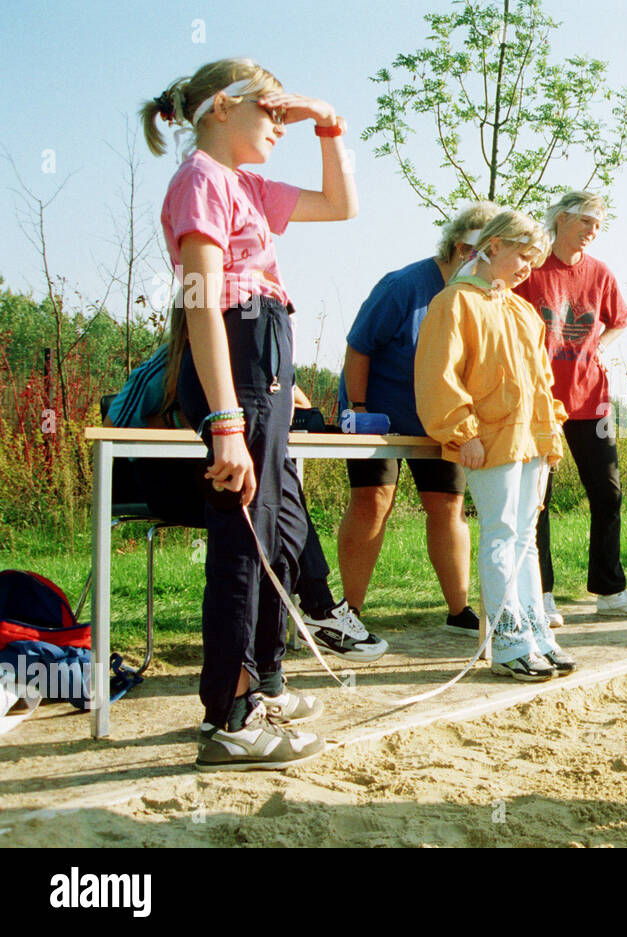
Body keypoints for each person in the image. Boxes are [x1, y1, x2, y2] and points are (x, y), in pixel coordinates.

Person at [141, 57, 357, 769]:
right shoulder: (201, 179)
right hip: (234, 352)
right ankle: (227, 715)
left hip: (265, 356)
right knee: (241, 538)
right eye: (268, 111)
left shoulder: (246, 186)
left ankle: (262, 679)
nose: (278, 124)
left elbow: (339, 204)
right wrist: (226, 423)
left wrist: (324, 123)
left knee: (278, 529)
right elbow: (202, 303)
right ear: (218, 110)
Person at [106, 347, 384, 661]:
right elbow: (111, 427)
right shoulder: (165, 364)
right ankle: (316, 609)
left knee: (272, 483)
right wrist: (180, 418)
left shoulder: (257, 356)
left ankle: (276, 636)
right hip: (167, 484)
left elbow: (303, 407)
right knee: (271, 489)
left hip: (234, 480)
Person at [414, 209, 575, 681]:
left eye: (534, 259)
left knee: (525, 539)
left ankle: (535, 631)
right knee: (501, 535)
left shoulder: (523, 311)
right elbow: (438, 376)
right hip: (489, 441)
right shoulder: (454, 303)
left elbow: (542, 382)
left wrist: (550, 437)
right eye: (522, 255)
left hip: (530, 439)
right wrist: (463, 433)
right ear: (495, 245)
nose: (527, 267)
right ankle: (507, 642)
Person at [336, 203, 499, 638]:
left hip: (438, 418)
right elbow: (358, 348)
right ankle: (348, 610)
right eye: (469, 247)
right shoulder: (403, 285)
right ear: (455, 244)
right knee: (374, 501)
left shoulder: (480, 297)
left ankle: (459, 610)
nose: (475, 258)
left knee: (447, 506)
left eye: (487, 251)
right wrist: (360, 408)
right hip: (378, 412)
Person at [514, 191, 627, 620]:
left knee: (608, 493)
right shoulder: (531, 268)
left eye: (599, 225)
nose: (593, 231)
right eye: (587, 221)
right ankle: (543, 595)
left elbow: (620, 320)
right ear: (560, 219)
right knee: (537, 501)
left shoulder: (600, 273)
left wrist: (600, 347)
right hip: (540, 403)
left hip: (592, 403)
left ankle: (610, 593)